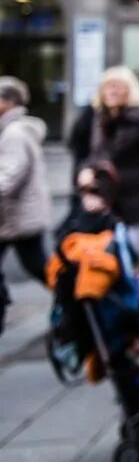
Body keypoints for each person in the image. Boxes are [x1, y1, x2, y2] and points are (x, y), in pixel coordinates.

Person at [67, 66, 139, 240]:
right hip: (100, 201)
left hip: (133, 204)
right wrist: (85, 173)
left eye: (118, 86)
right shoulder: (94, 118)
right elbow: (88, 154)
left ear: (130, 91)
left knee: (132, 256)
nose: (112, 92)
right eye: (108, 86)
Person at [0, 77, 50, 334]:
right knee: (39, 266)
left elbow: (10, 175)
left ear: (9, 102)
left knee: (40, 267)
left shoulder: (14, 133)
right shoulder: (9, 129)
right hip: (11, 217)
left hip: (18, 218)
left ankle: (79, 297)